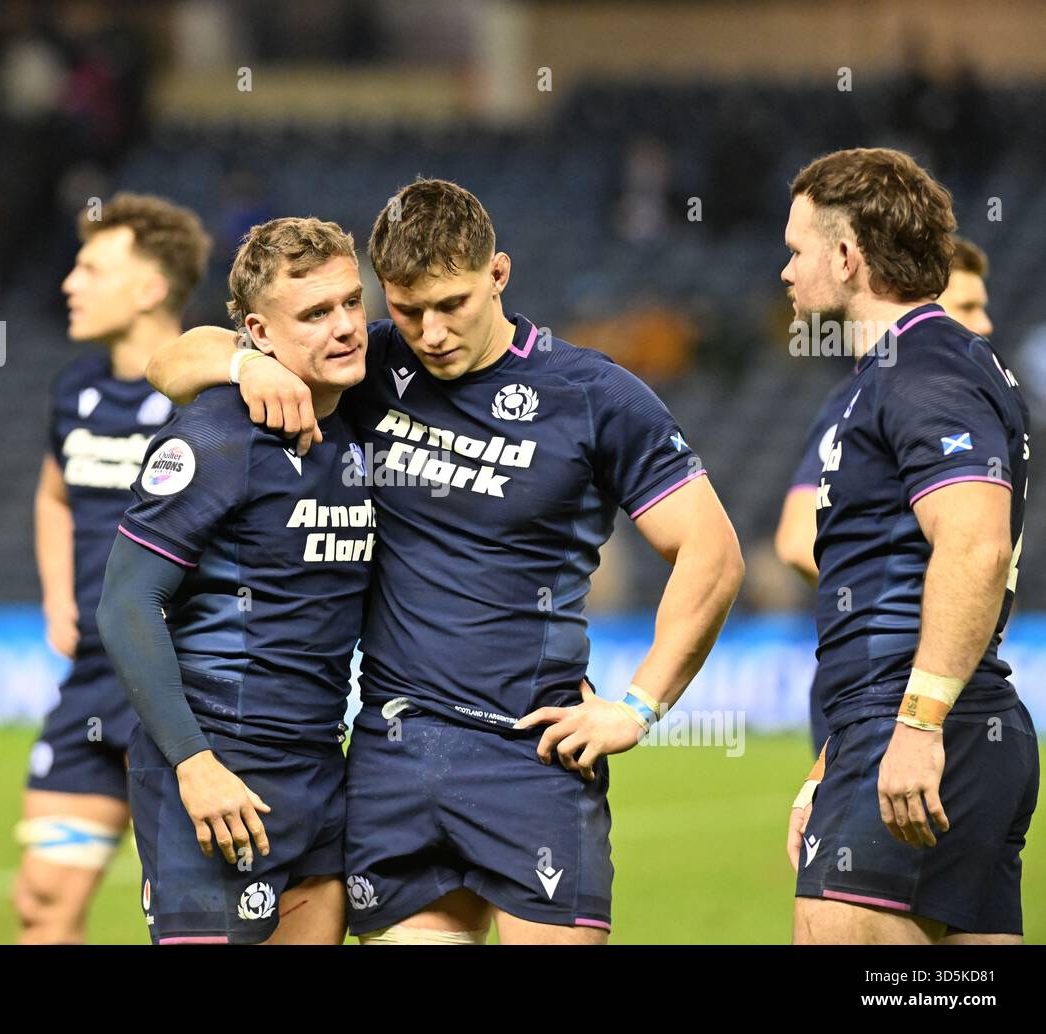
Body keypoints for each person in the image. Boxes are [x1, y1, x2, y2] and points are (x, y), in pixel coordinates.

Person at [146, 178, 744, 944]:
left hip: (533, 755)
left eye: (451, 304)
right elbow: (171, 360)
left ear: (499, 275)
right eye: (405, 309)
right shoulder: (368, 369)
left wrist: (638, 706)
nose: (429, 333)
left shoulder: (594, 396)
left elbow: (712, 551)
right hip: (393, 760)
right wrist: (243, 366)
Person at [778, 148, 1036, 944]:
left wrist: (916, 728)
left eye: (796, 250)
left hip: (920, 731)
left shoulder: (921, 369)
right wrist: (835, 756)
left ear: (847, 257)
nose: (785, 273)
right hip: (924, 725)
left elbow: (976, 546)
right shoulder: (902, 369)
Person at [96, 217, 373, 944]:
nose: (345, 327)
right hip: (219, 772)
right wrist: (194, 764)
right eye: (315, 314)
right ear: (258, 330)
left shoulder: (362, 420)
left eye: (351, 302)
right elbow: (127, 605)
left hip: (319, 772)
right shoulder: (217, 436)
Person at [13, 193, 211, 944]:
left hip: (182, 688)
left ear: (150, 289)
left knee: (189, 921)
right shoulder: (75, 391)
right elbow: (53, 494)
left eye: (92, 268)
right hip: (93, 681)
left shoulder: (212, 399)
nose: (70, 281)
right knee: (41, 902)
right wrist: (58, 594)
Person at [774, 234, 997, 753]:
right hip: (890, 685)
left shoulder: (953, 393)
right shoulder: (865, 398)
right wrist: (931, 604)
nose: (984, 323)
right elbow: (796, 538)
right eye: (968, 306)